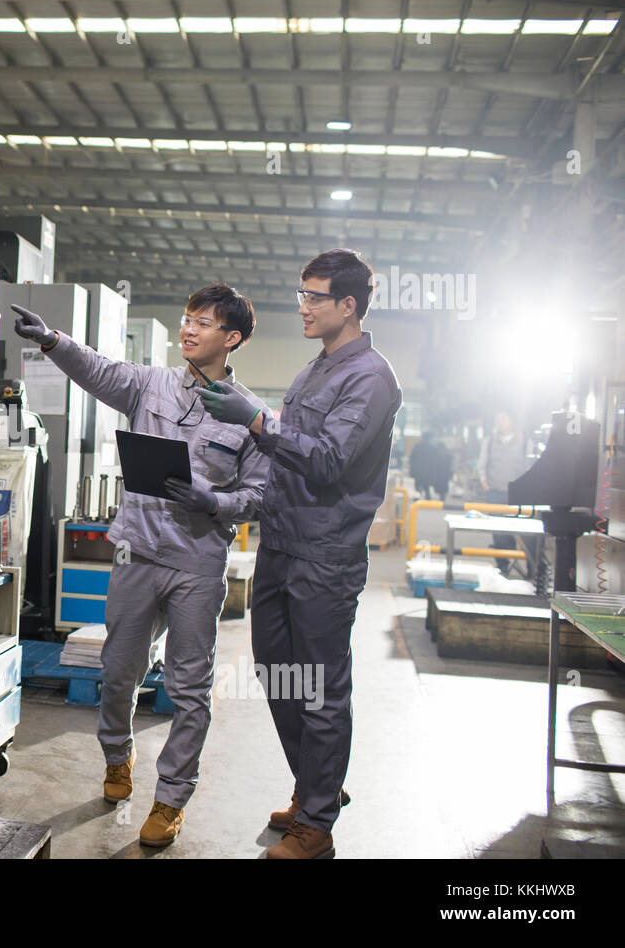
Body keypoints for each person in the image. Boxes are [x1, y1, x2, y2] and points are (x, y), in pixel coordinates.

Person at [11, 284, 269, 848]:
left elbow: (258, 494)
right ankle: (116, 757)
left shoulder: (249, 416)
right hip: (136, 553)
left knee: (189, 686)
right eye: (188, 318)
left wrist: (217, 503)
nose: (189, 329)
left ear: (232, 339)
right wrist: (53, 341)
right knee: (118, 670)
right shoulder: (150, 384)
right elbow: (98, 370)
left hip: (197, 563)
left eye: (204, 322)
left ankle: (173, 796)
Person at [194, 249, 402, 859]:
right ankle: (319, 789)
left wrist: (257, 420)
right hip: (281, 545)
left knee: (320, 688)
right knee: (279, 674)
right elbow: (290, 447)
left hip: (326, 555)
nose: (303, 306)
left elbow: (330, 459)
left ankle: (316, 824)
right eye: (302, 294)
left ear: (348, 305)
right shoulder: (316, 369)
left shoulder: (371, 377)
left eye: (315, 297)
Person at [478, 411, 532, 576]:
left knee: (520, 531)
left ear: (511, 422)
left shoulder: (524, 442)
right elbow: (482, 463)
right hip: (495, 491)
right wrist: (484, 482)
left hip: (517, 494)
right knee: (498, 532)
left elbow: (529, 466)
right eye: (498, 420)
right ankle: (502, 565)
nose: (500, 423)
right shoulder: (489, 441)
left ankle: (530, 567)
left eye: (504, 419)